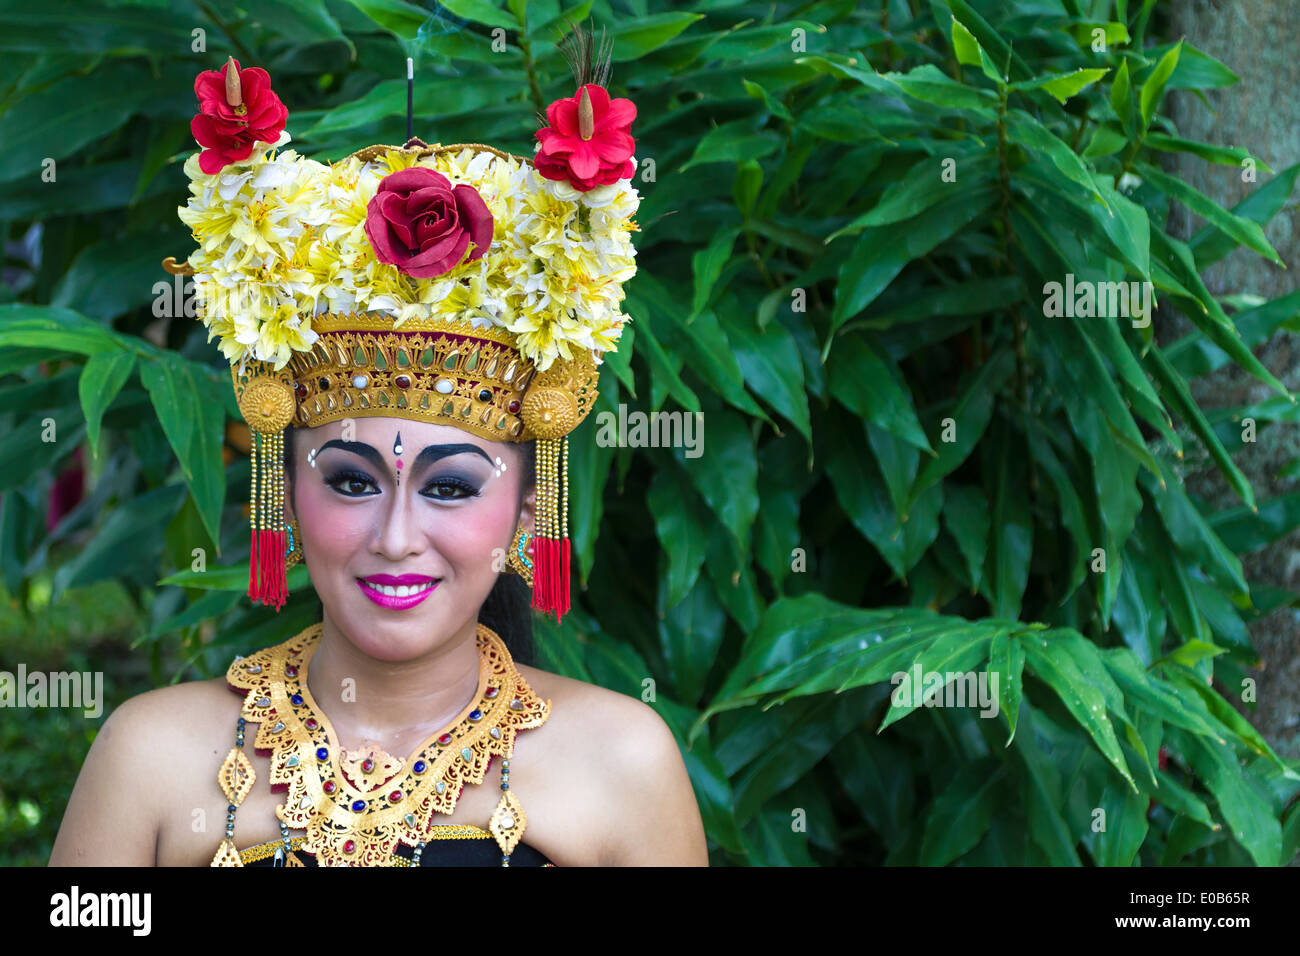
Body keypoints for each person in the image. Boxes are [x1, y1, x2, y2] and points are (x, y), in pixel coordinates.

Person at [50, 32, 708, 867]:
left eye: (452, 489)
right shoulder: (151, 758)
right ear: (283, 496)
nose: (397, 537)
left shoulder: (621, 764)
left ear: (526, 514)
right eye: (354, 482)